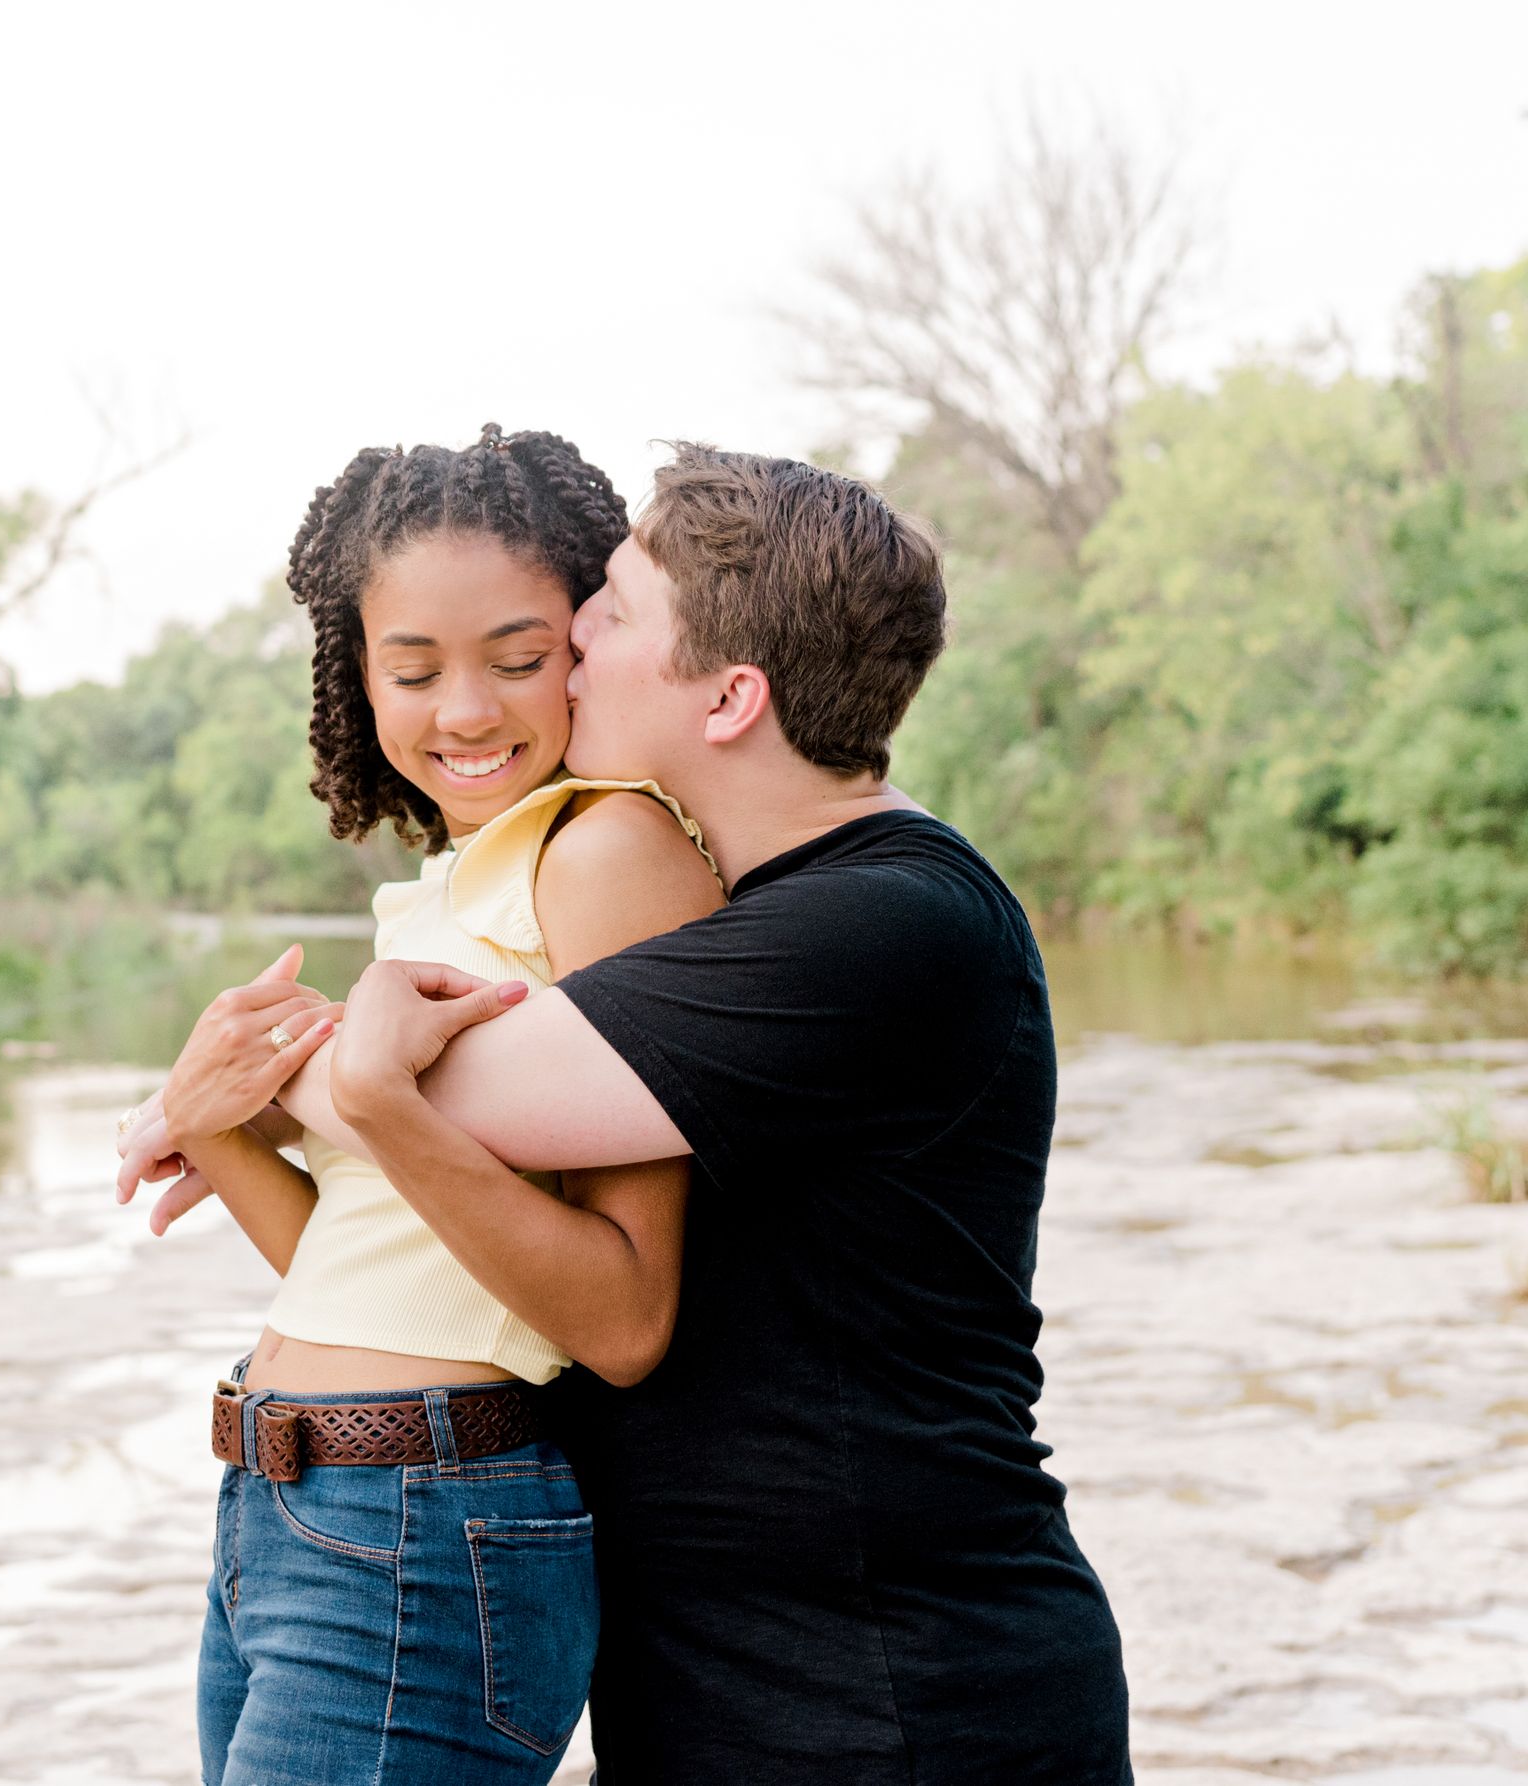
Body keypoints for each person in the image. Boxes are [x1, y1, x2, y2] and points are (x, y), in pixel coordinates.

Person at [126, 443, 1133, 1784]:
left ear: (729, 696)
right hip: (714, 1672)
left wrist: (244, 1076)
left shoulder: (883, 924)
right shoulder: (767, 905)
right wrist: (251, 1091)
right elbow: (412, 1211)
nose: (579, 637)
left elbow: (451, 1102)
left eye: (608, 610)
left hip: (896, 1693)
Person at [135, 424, 724, 1786]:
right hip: (289, 1508)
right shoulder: (451, 884)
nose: (464, 708)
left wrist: (367, 1100)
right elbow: (387, 1273)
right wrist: (217, 1118)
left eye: (519, 660)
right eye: (412, 668)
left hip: (424, 1520)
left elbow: (627, 1318)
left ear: (590, 637)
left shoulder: (606, 853)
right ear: (358, 675)